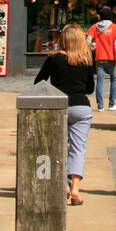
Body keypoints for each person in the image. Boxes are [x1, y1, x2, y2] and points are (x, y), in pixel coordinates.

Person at [34, 23, 94, 205]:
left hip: (59, 106)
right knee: (78, 149)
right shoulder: (85, 60)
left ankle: (63, 185)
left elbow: (39, 83)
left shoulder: (54, 60)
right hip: (82, 108)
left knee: (57, 146)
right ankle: (75, 189)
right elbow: (90, 88)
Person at [86, 6, 116, 112]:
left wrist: (93, 46)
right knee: (113, 80)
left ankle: (100, 106)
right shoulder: (114, 27)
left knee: (100, 82)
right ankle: (111, 104)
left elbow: (87, 41)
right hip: (111, 57)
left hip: (99, 57)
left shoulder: (94, 27)